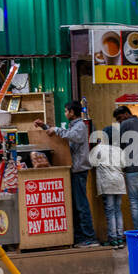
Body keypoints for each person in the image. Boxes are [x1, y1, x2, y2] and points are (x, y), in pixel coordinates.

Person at [35, 101, 100, 247]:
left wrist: (56, 129)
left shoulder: (80, 126)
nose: (65, 113)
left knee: (82, 205)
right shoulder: (73, 126)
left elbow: (71, 136)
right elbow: (61, 136)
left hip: (79, 170)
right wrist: (45, 127)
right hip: (74, 169)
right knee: (76, 205)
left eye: (66, 111)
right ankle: (79, 238)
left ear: (71, 112)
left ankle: (90, 238)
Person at [89, 126, 127, 248]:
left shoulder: (99, 148)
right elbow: (124, 164)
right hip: (119, 182)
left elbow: (92, 162)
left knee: (110, 211)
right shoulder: (119, 149)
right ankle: (120, 238)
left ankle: (113, 239)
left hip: (107, 183)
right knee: (117, 210)